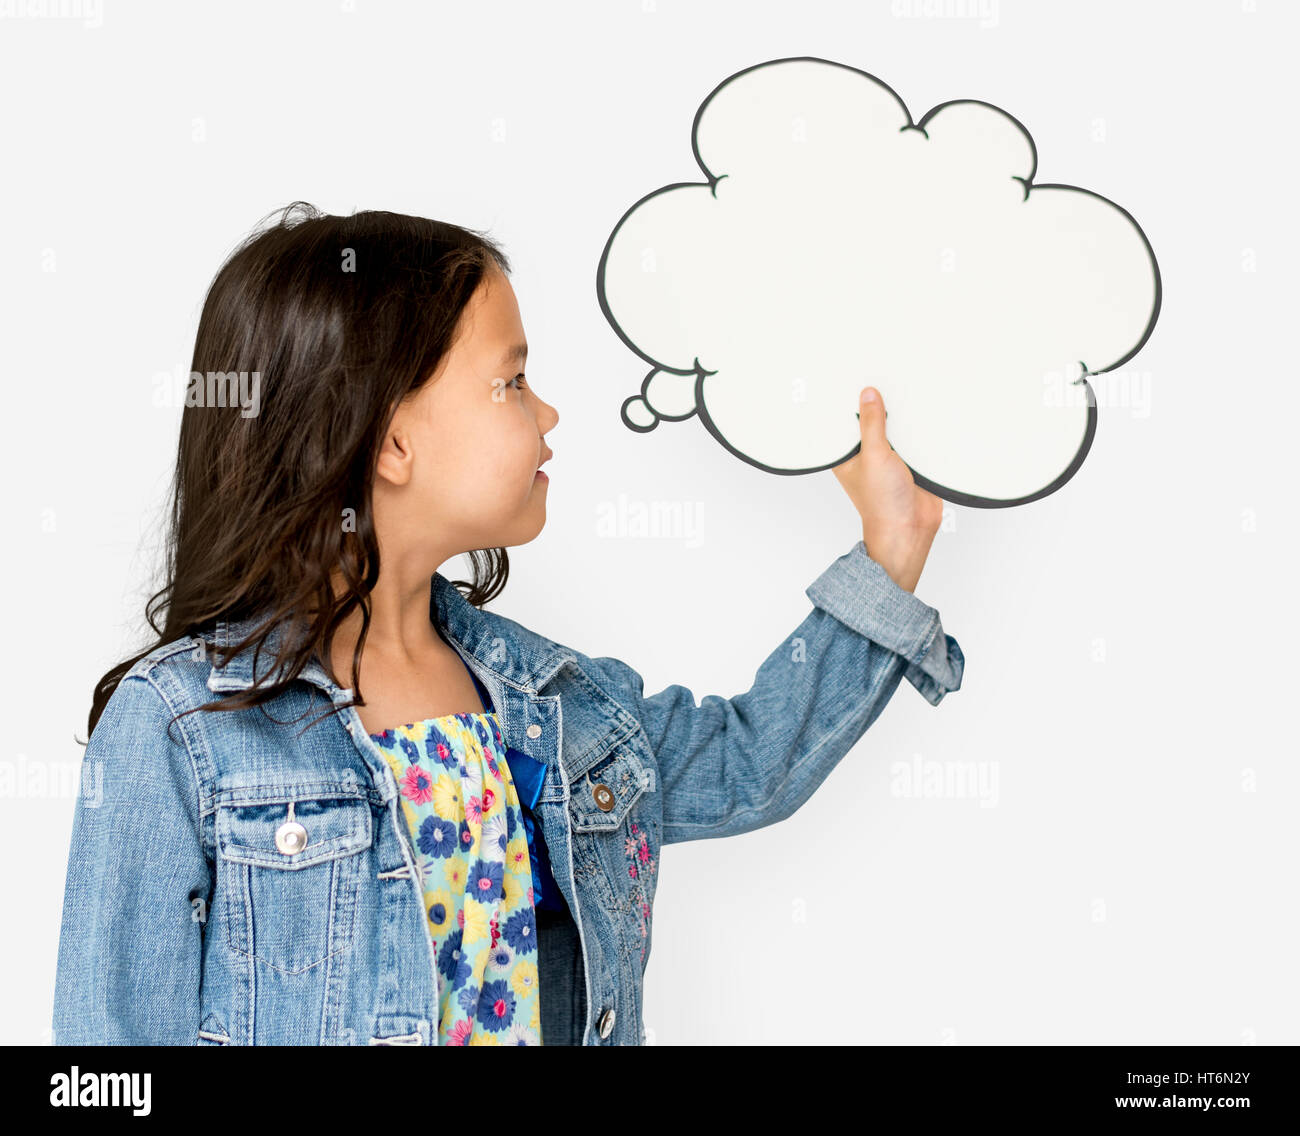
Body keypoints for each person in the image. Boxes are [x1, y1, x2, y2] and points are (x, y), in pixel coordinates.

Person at [51, 202, 963, 1046]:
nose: (549, 411)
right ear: (391, 441)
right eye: (513, 381)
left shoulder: (560, 707)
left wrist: (891, 553)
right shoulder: (179, 730)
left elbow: (749, 761)